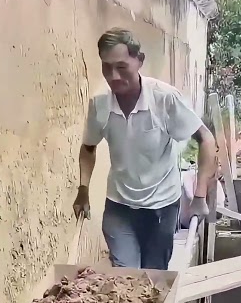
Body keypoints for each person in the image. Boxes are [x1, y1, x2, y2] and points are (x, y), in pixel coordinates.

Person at [74, 27, 218, 270]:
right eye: (106, 67)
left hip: (162, 207)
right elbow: (88, 147)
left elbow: (206, 139)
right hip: (119, 206)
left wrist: (200, 196)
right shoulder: (99, 105)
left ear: (139, 61)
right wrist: (83, 189)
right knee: (125, 277)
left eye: (121, 67)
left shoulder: (164, 99)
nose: (114, 76)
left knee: (153, 278)